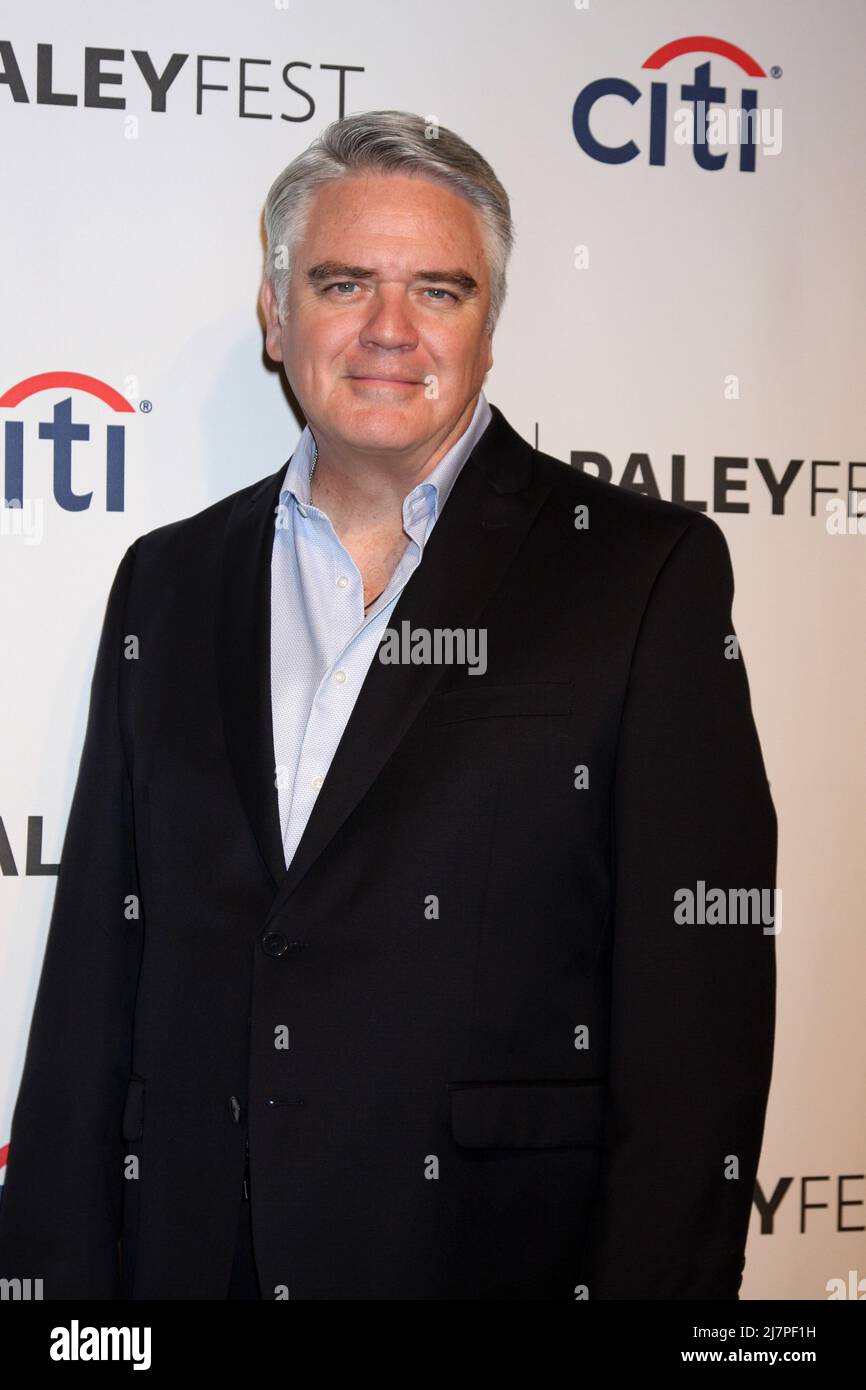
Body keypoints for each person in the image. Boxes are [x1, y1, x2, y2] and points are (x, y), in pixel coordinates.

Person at [0, 109, 776, 1300]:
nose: (388, 331)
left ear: (489, 327)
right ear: (276, 313)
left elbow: (694, 1038)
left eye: (439, 290)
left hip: (486, 1262)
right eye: (343, 282)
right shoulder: (169, 577)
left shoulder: (636, 574)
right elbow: (96, 978)